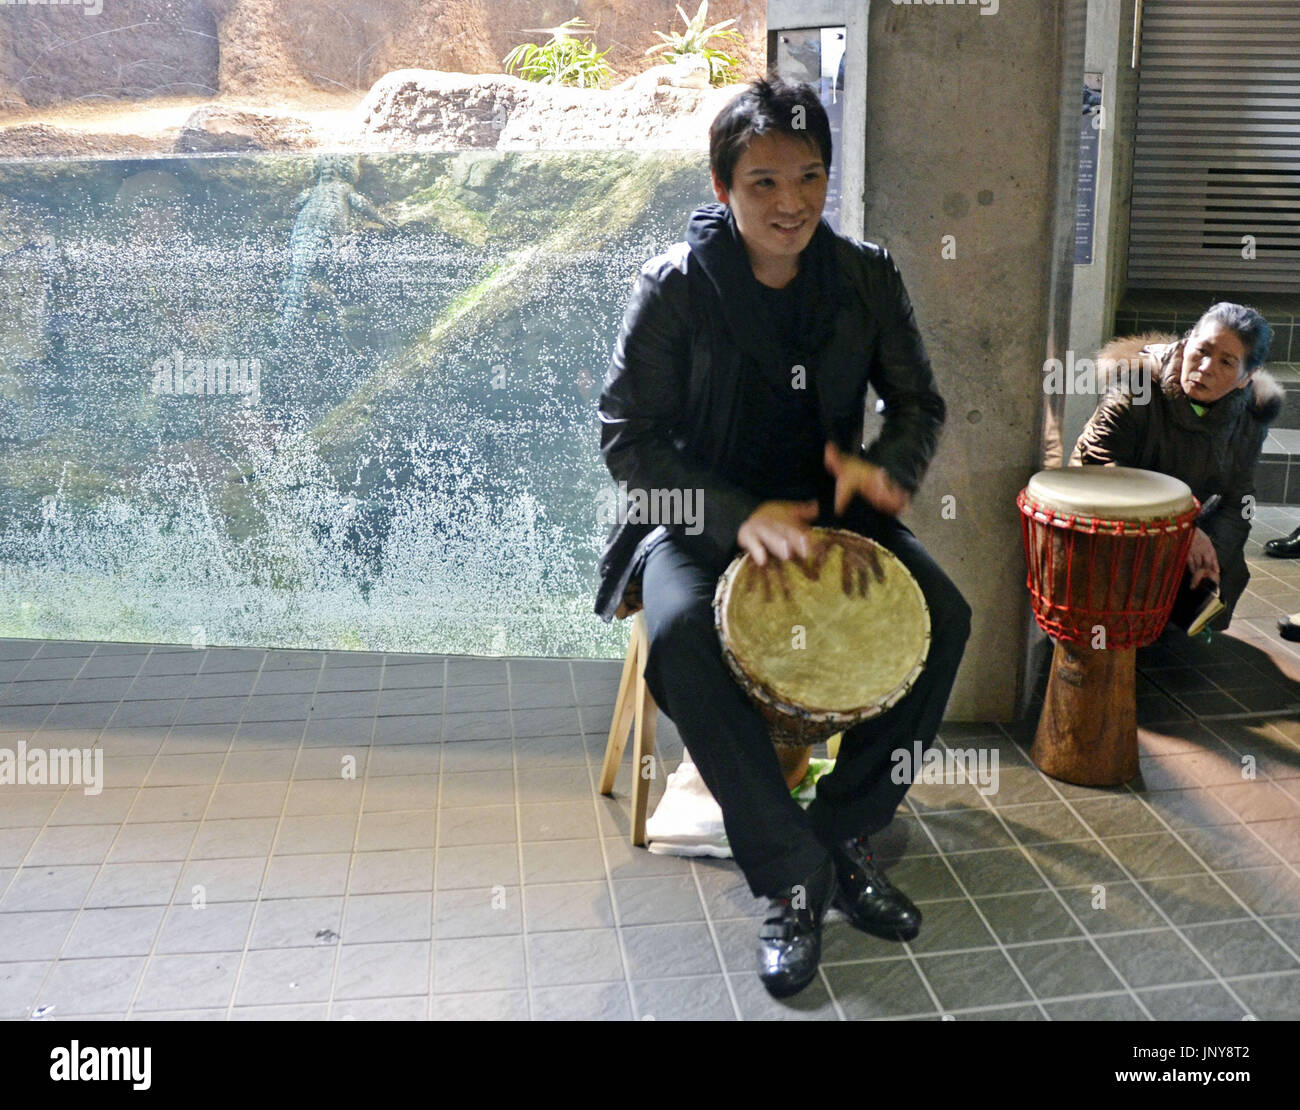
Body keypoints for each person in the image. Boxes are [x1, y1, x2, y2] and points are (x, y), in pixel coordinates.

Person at [595, 77, 970, 997]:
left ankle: (843, 830)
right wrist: (735, 516)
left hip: (823, 514)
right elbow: (624, 437)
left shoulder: (865, 275)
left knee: (948, 618)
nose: (791, 202)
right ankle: (789, 873)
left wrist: (889, 466)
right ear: (723, 187)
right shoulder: (677, 287)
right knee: (682, 640)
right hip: (696, 517)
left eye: (809, 177)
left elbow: (919, 401)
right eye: (763, 182)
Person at [1071, 304, 1280, 631]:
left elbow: (1238, 500)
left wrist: (1213, 557)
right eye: (1202, 351)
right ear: (1186, 345)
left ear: (1246, 378)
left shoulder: (1248, 419)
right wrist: (1179, 532)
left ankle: (1167, 627)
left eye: (1226, 362)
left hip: (1177, 516)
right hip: (1113, 510)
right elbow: (1098, 467)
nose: (1206, 367)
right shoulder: (1136, 388)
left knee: (1228, 568)